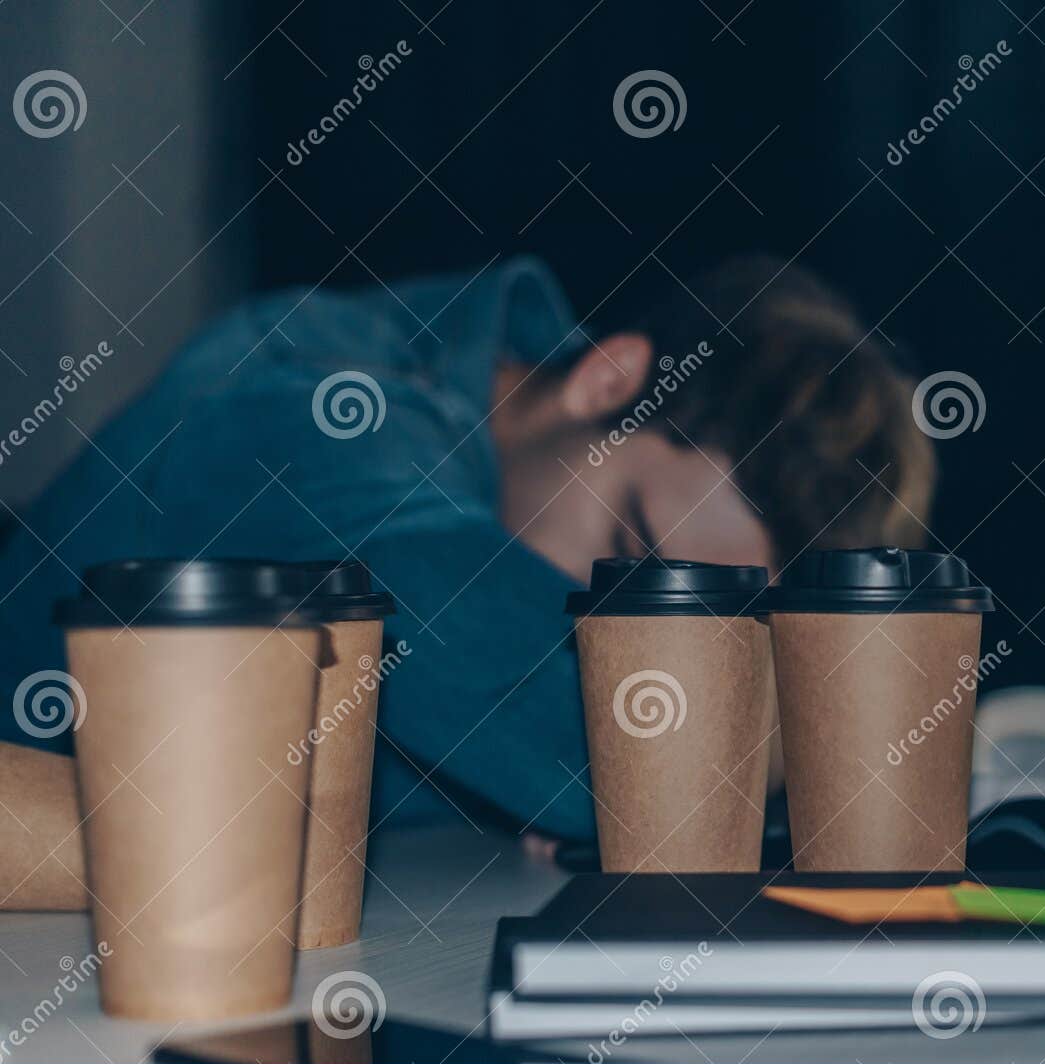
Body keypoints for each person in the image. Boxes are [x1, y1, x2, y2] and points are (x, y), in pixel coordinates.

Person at [0, 255, 935, 840]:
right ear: (610, 380)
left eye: (710, 625)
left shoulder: (517, 450)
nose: (648, 650)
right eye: (635, 565)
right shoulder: (309, 411)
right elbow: (638, 764)